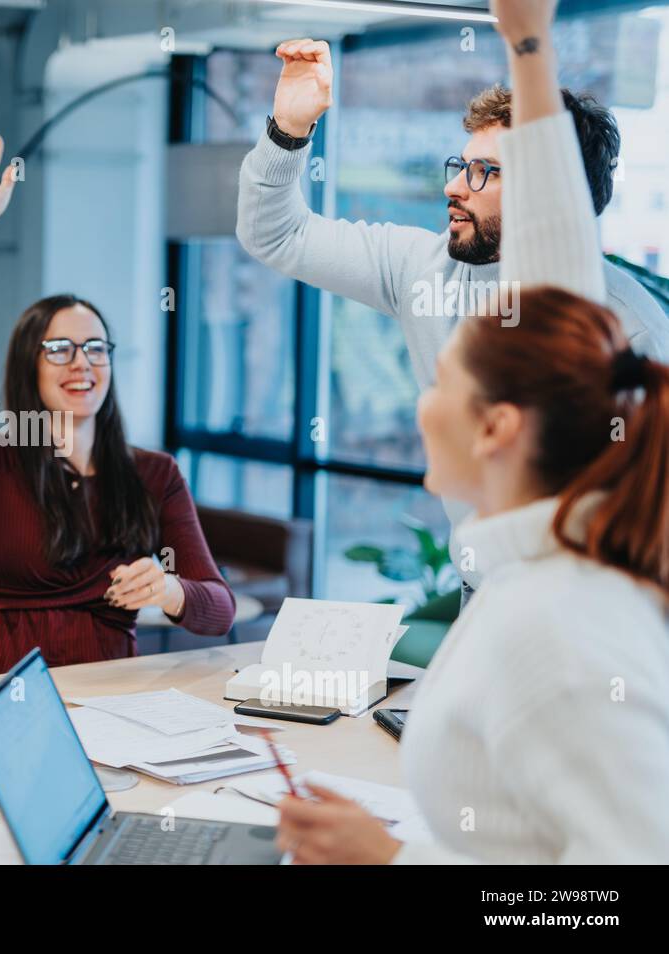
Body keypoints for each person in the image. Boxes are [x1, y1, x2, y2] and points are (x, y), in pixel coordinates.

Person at [275, 0, 669, 864]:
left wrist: (390, 863)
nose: (418, 403)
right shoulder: (528, 581)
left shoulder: (561, 632)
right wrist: (525, 44)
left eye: (444, 383)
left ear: (497, 425)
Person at [237, 17, 669, 594]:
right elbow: (279, 237)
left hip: (583, 608)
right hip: (481, 598)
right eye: (460, 165)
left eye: (484, 172)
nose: (454, 186)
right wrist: (288, 129)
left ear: (550, 193)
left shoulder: (625, 326)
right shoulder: (423, 267)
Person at [0, 131, 235, 681]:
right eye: (59, 349)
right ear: (28, 367)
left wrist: (171, 589)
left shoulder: (155, 475)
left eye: (95, 348)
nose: (81, 363)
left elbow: (219, 612)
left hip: (107, 697)